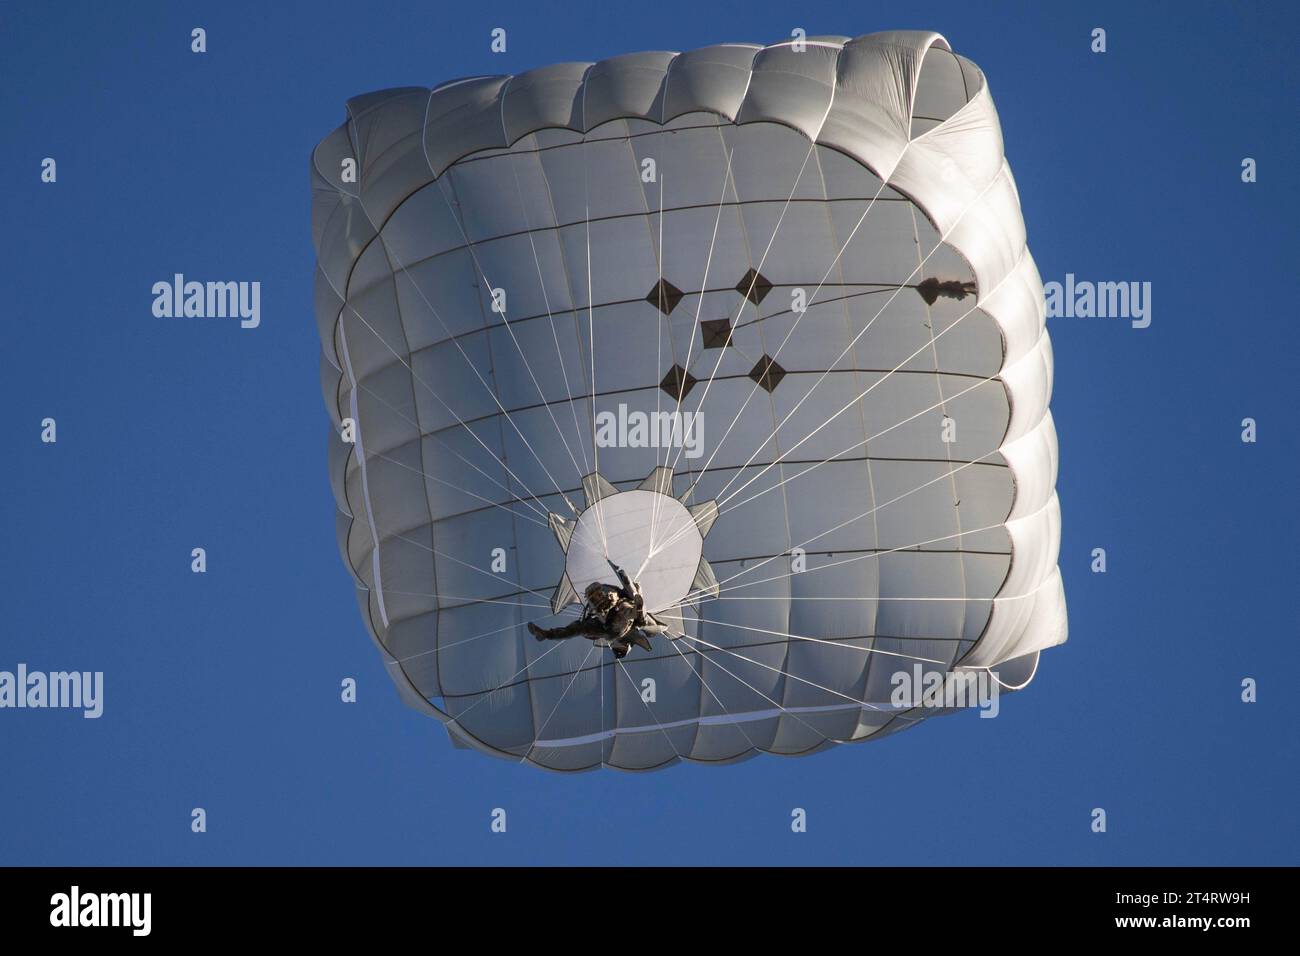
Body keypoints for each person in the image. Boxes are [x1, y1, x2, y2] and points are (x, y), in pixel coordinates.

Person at [528, 562, 664, 658]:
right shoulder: (631, 630)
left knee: (579, 629)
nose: (597, 598)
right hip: (621, 619)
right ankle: (638, 613)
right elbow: (630, 589)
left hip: (612, 626)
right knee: (634, 615)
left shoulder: (611, 635)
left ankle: (546, 634)